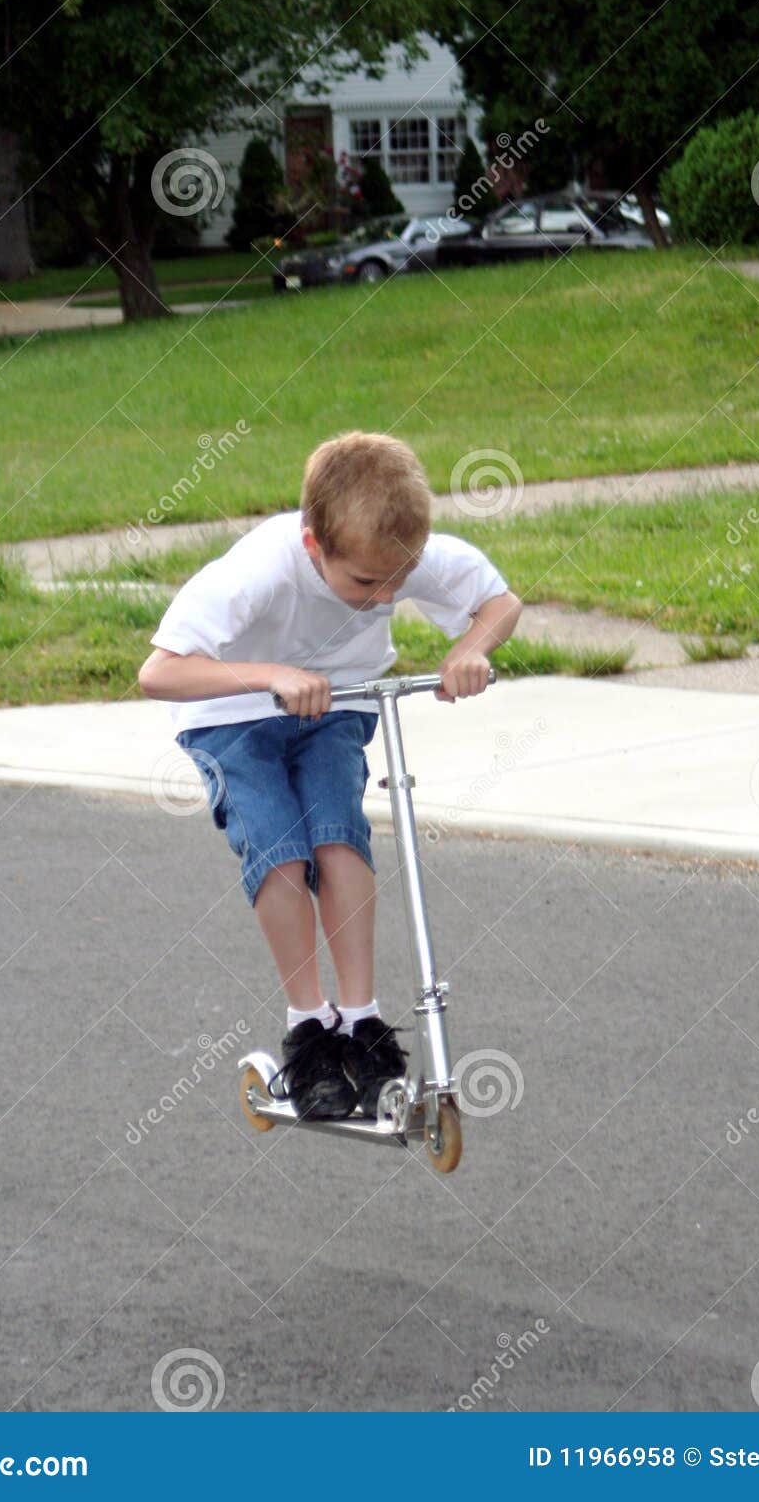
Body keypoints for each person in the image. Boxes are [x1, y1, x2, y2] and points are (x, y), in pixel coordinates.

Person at [138, 431, 522, 1120]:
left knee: (339, 841)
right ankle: (310, 1029)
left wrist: (470, 648)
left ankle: (361, 1023)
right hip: (228, 715)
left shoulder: (394, 547)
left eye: (397, 582)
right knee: (282, 854)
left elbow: (499, 603)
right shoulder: (260, 568)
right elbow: (158, 672)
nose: (382, 596)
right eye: (365, 583)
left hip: (337, 706)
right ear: (315, 545)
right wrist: (270, 676)